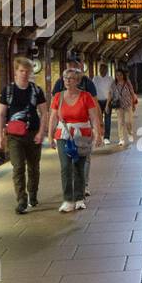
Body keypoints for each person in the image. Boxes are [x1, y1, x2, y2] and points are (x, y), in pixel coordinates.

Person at [0, 57, 48, 214]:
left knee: (33, 167)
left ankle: (33, 193)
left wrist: (41, 132)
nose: (24, 74)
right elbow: (1, 114)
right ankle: (21, 199)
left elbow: (44, 113)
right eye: (21, 71)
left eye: (27, 71)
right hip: (14, 135)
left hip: (33, 134)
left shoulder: (36, 91)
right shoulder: (8, 91)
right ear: (15, 72)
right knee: (18, 167)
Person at [46, 67, 102, 212]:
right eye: (65, 78)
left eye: (70, 78)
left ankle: (79, 197)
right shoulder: (58, 97)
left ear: (77, 80)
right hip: (63, 134)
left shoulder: (86, 96)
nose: (67, 81)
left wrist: (97, 134)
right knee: (65, 167)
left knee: (79, 166)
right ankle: (68, 199)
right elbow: (53, 117)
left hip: (82, 135)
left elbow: (93, 117)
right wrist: (50, 135)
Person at [112, 67, 139, 147]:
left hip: (128, 105)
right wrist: (107, 104)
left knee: (128, 121)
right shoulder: (114, 84)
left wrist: (134, 104)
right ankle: (121, 139)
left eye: (120, 75)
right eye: (117, 75)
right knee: (120, 123)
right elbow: (110, 93)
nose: (119, 76)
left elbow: (132, 93)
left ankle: (130, 133)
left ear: (123, 75)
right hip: (119, 105)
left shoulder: (127, 83)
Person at [93, 64, 115, 144]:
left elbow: (111, 92)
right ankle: (98, 135)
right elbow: (93, 92)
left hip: (107, 101)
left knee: (107, 119)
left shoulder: (110, 79)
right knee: (98, 120)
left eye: (104, 69)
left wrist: (107, 104)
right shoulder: (95, 79)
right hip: (97, 101)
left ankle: (106, 137)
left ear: (107, 70)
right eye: (100, 69)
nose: (102, 70)